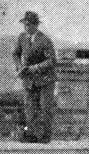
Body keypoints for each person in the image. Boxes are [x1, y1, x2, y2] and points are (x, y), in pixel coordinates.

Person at [12, 11, 56, 143]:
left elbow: (52, 61)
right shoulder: (21, 38)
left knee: (44, 106)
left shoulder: (45, 40)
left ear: (36, 25)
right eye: (25, 25)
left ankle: (45, 136)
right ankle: (31, 135)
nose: (26, 28)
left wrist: (36, 68)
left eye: (29, 25)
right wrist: (19, 66)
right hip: (29, 79)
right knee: (29, 107)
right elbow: (15, 54)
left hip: (45, 80)